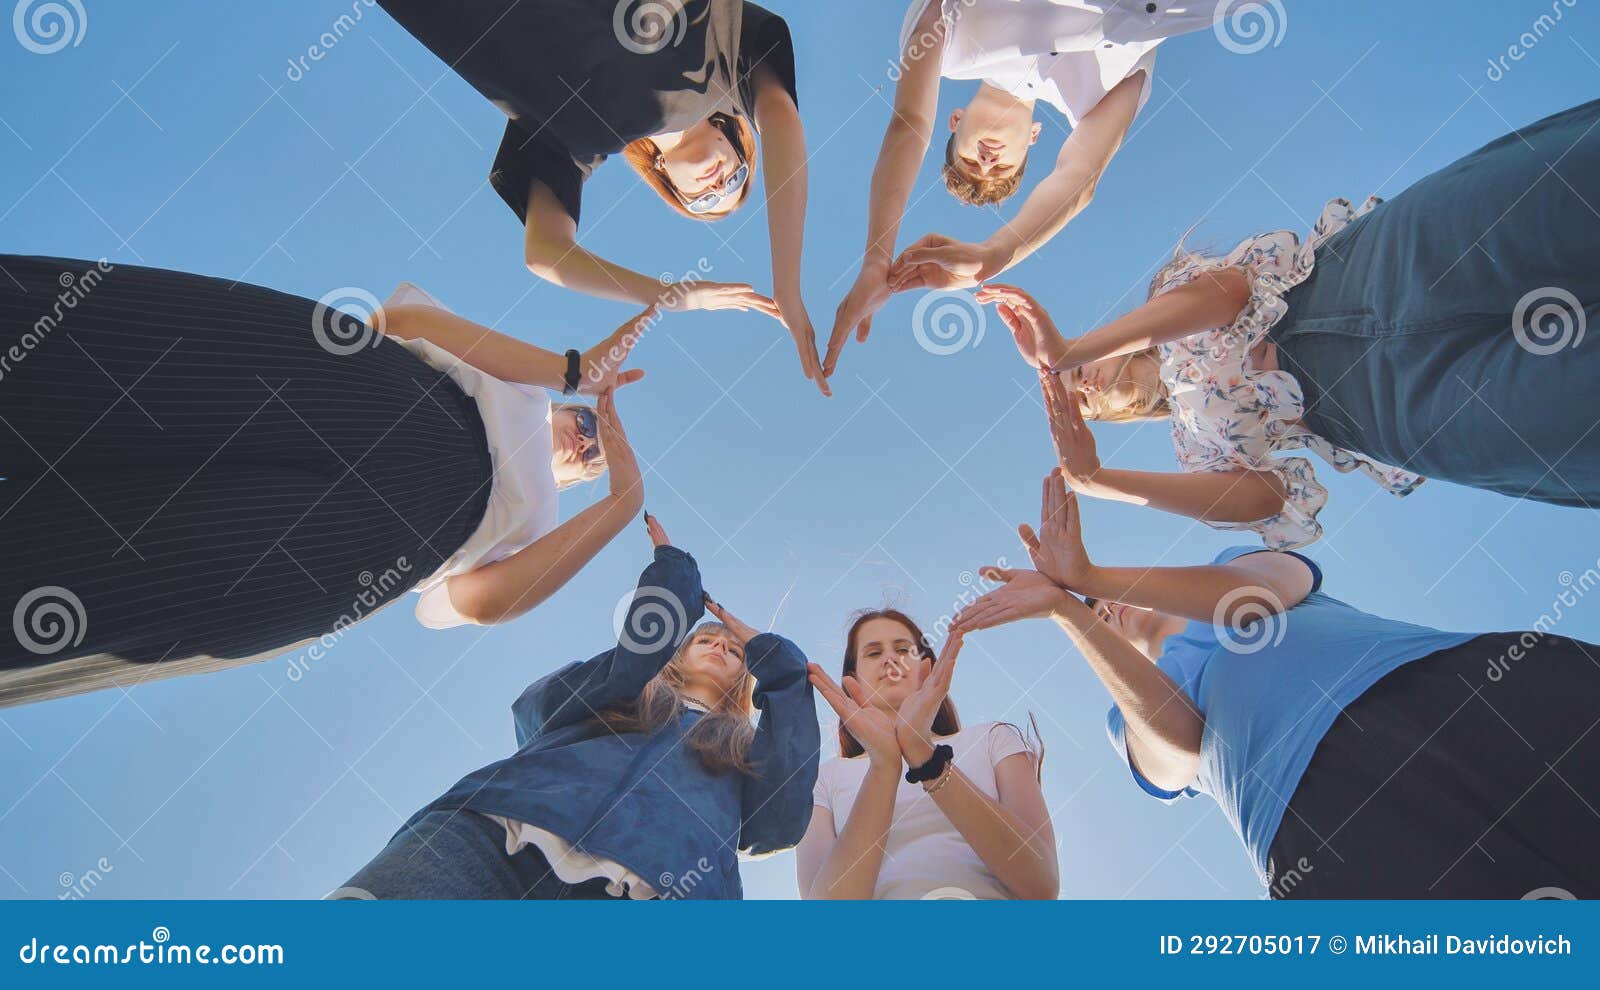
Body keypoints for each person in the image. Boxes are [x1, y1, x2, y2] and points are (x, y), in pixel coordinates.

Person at [0, 256, 647, 707]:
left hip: (365, 546)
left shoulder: (540, 524)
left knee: (100, 579)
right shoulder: (524, 389)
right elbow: (407, 324)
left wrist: (621, 505)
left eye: (593, 456)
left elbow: (478, 602)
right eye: (587, 424)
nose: (586, 440)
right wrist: (571, 370)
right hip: (367, 396)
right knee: (104, 354)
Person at [953, 469, 1600, 898]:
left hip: (1441, 692)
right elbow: (1179, 749)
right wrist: (1068, 608)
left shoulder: (1223, 569)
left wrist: (1091, 575)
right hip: (1322, 822)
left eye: (1098, 601)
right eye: (1094, 615)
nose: (1103, 609)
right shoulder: (1128, 711)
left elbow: (1255, 594)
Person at [985, 98, 1600, 547]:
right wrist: (1094, 479)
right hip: (1385, 406)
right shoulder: (1195, 446)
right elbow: (1260, 498)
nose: (1082, 387)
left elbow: (1231, 292)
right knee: (1568, 410)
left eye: (1077, 374)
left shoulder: (1163, 305)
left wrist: (1066, 350)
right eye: (1081, 406)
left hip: (1372, 271)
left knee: (1557, 196)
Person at [331, 516, 820, 899]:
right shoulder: (620, 684)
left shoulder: (744, 750)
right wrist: (674, 589)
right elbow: (536, 709)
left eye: (737, 650)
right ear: (677, 649)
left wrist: (781, 665)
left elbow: (779, 820)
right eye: (709, 638)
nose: (722, 647)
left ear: (744, 678)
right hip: (492, 836)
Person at [376, 0, 829, 395]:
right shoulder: (723, 48)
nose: (719, 184)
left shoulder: (578, 146)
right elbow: (782, 118)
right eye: (737, 178)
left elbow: (545, 254)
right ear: (731, 130)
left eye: (707, 201)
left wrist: (671, 296)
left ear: (670, 186)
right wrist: (787, 284)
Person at [826, 0, 1234, 379]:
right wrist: (996, 254)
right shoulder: (1089, 103)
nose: (987, 161)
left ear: (955, 119)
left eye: (969, 160)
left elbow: (909, 123)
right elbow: (1080, 177)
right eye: (1002, 167)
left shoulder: (950, 45)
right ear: (1034, 139)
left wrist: (877, 257)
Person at [796, 611, 1057, 899]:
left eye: (903, 649)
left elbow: (1041, 886)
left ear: (927, 667)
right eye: (873, 653)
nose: (889, 659)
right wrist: (884, 766)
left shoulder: (993, 739)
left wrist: (923, 755)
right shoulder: (823, 779)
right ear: (852, 677)